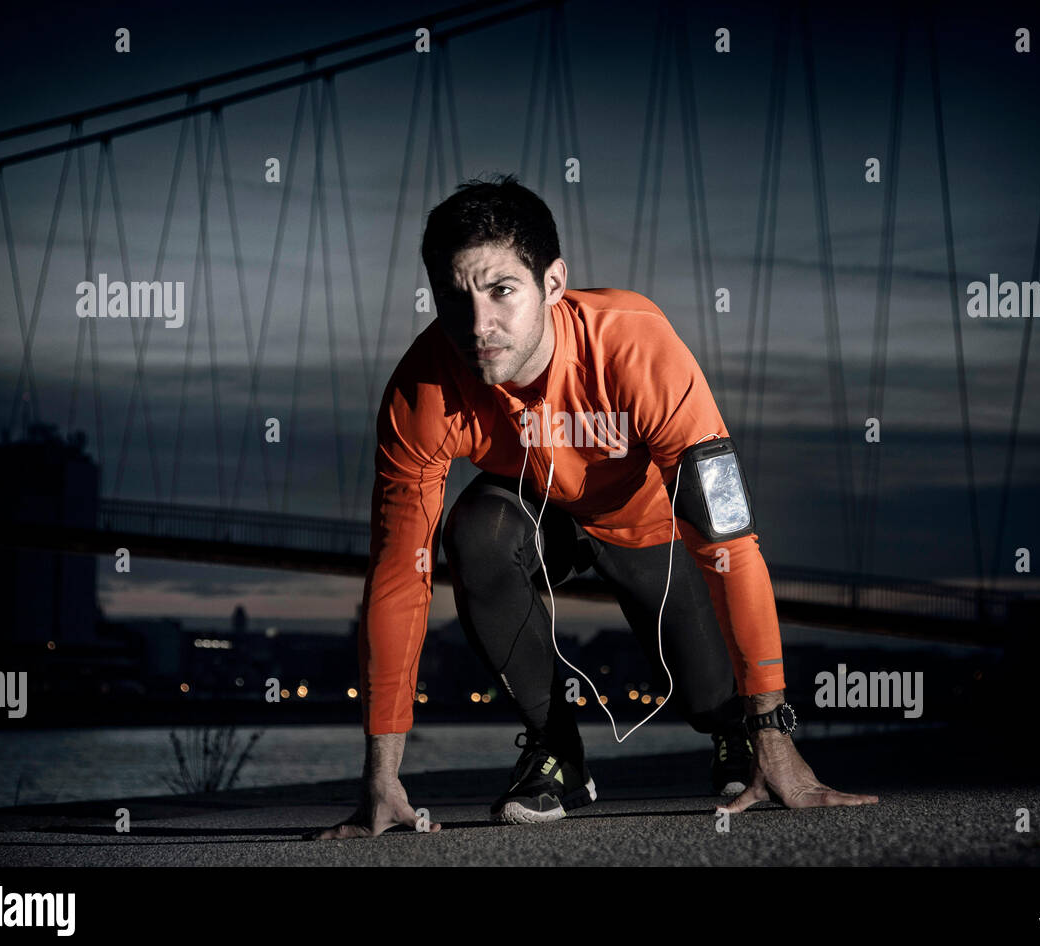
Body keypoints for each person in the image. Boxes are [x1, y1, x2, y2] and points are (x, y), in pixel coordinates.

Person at [311, 174, 878, 840]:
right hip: (534, 508)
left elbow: (729, 539)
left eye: (502, 290)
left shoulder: (638, 344)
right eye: (453, 296)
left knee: (712, 695)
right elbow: (398, 573)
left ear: (554, 283)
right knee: (476, 533)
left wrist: (774, 732)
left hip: (647, 522)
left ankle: (736, 738)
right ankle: (558, 751)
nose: (478, 325)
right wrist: (381, 778)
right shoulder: (424, 387)